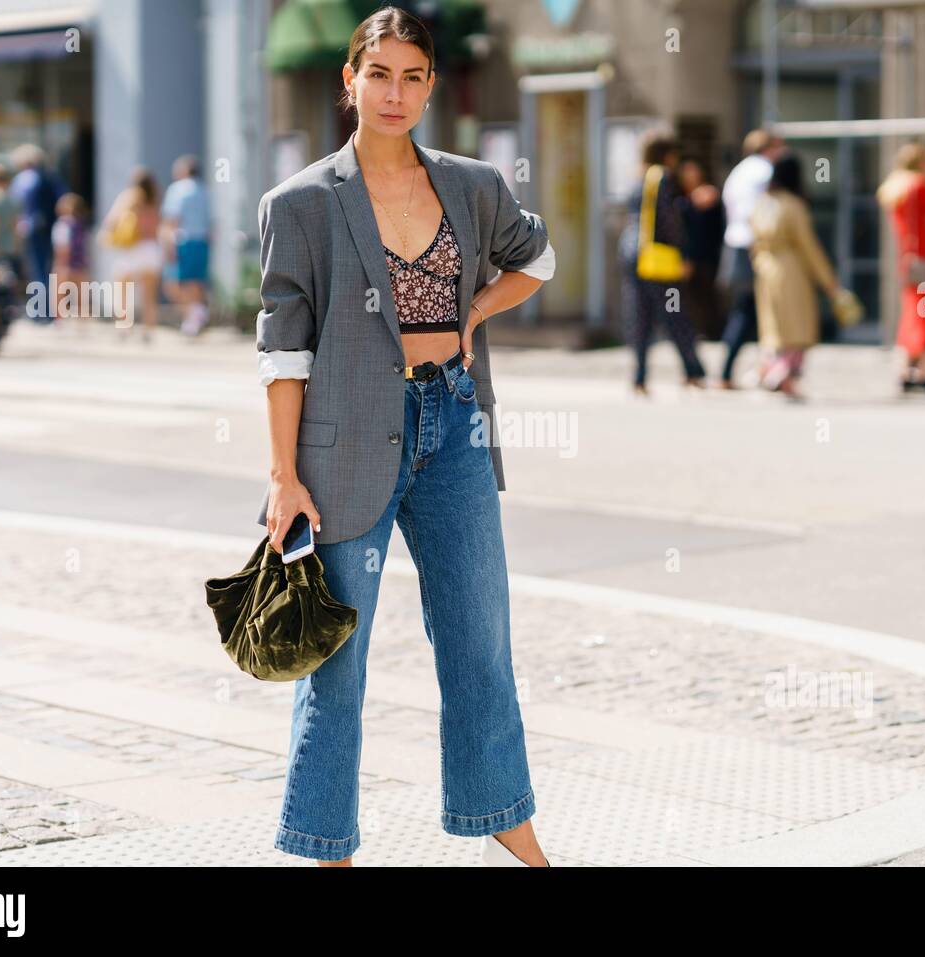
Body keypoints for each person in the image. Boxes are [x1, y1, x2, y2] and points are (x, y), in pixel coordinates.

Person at [256, 5, 555, 868]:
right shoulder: (303, 201)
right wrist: (284, 477)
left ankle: (508, 826)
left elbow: (536, 259)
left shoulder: (470, 184)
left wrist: (474, 311)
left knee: (480, 643)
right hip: (343, 442)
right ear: (349, 82)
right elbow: (282, 351)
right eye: (378, 74)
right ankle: (326, 849)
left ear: (430, 86)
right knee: (336, 663)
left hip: (453, 424)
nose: (395, 92)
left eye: (413, 76)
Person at [749, 152, 849, 401]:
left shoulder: (763, 202)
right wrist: (829, 281)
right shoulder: (793, 205)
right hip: (791, 270)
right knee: (797, 328)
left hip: (765, 268)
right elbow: (808, 247)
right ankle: (782, 375)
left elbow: (754, 239)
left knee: (775, 328)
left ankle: (769, 369)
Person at [618, 128, 708, 395]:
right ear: (668, 154)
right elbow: (668, 220)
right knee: (675, 313)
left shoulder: (637, 177)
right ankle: (693, 371)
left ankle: (640, 377)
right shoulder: (662, 177)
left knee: (640, 316)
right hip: (656, 256)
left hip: (630, 252)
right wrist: (683, 254)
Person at [877, 140, 925, 391]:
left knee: (914, 313)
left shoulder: (898, 188)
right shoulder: (919, 187)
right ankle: (922, 370)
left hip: (912, 259)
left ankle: (908, 369)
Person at [717, 129, 785, 389]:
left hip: (735, 243)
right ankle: (731, 372)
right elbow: (764, 211)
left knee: (745, 310)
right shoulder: (763, 171)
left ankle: (744, 370)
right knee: (754, 311)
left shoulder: (739, 171)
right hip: (754, 246)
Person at [99, 167, 163, 342]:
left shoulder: (130, 197)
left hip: (132, 249)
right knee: (149, 295)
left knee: (123, 290)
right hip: (152, 249)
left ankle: (124, 328)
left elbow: (111, 220)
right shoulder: (155, 200)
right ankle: (149, 331)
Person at [9, 144, 67, 323]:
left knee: (37, 270)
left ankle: (38, 312)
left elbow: (17, 205)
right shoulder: (50, 177)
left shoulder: (25, 179)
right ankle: (46, 312)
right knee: (46, 271)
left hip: (32, 229)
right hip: (48, 228)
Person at [675, 155, 726, 341]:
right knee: (689, 297)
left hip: (707, 254)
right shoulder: (679, 198)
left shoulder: (710, 194)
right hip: (687, 255)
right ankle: (696, 331)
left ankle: (715, 332)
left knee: (709, 295)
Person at [161, 154, 212, 336]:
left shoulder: (178, 190)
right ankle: (194, 318)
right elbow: (213, 222)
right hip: (202, 240)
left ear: (183, 171)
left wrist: (168, 246)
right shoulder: (206, 190)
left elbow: (172, 219)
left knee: (176, 283)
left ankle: (194, 315)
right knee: (196, 282)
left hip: (183, 240)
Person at [51, 192, 91, 328]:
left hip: (65, 264)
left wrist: (60, 264)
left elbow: (62, 247)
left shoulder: (62, 224)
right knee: (81, 296)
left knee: (60, 294)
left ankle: (59, 321)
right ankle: (82, 322)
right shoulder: (81, 224)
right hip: (81, 264)